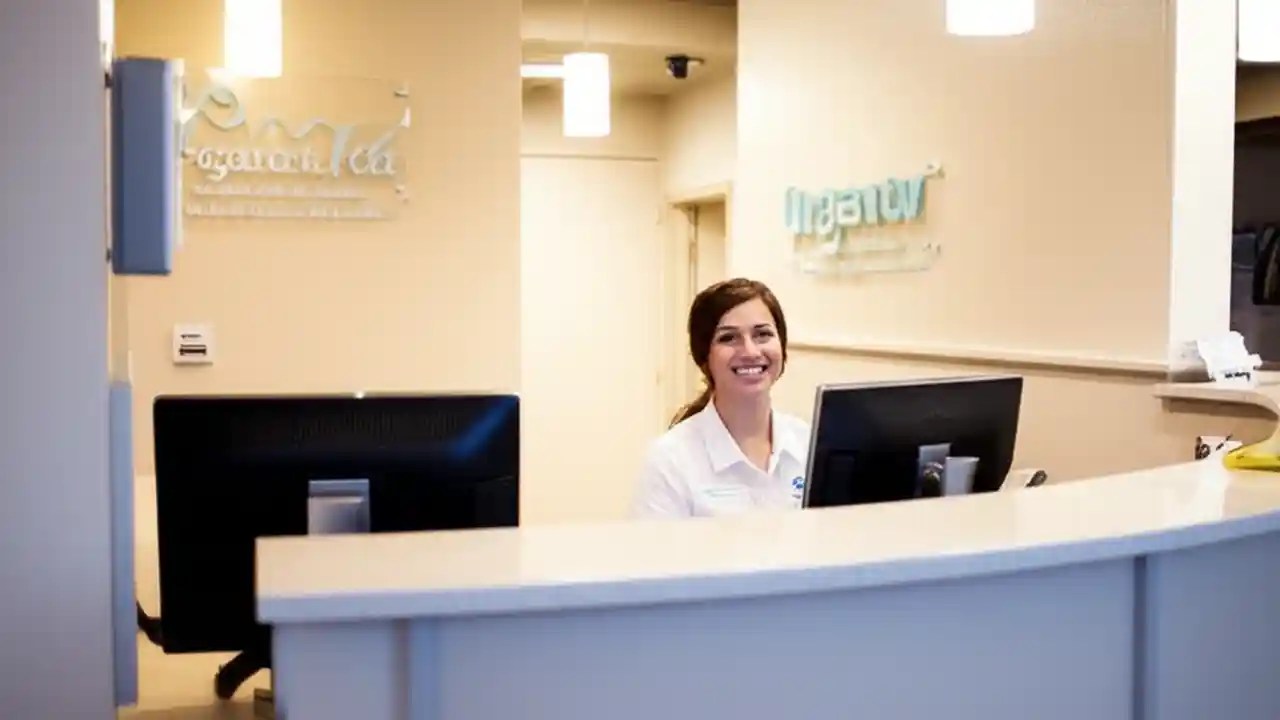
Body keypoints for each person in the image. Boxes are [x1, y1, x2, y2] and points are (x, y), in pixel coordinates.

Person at [633, 278, 812, 518]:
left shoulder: (809, 445)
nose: (750, 351)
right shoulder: (670, 460)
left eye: (762, 334)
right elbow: (653, 554)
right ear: (704, 357)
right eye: (729, 338)